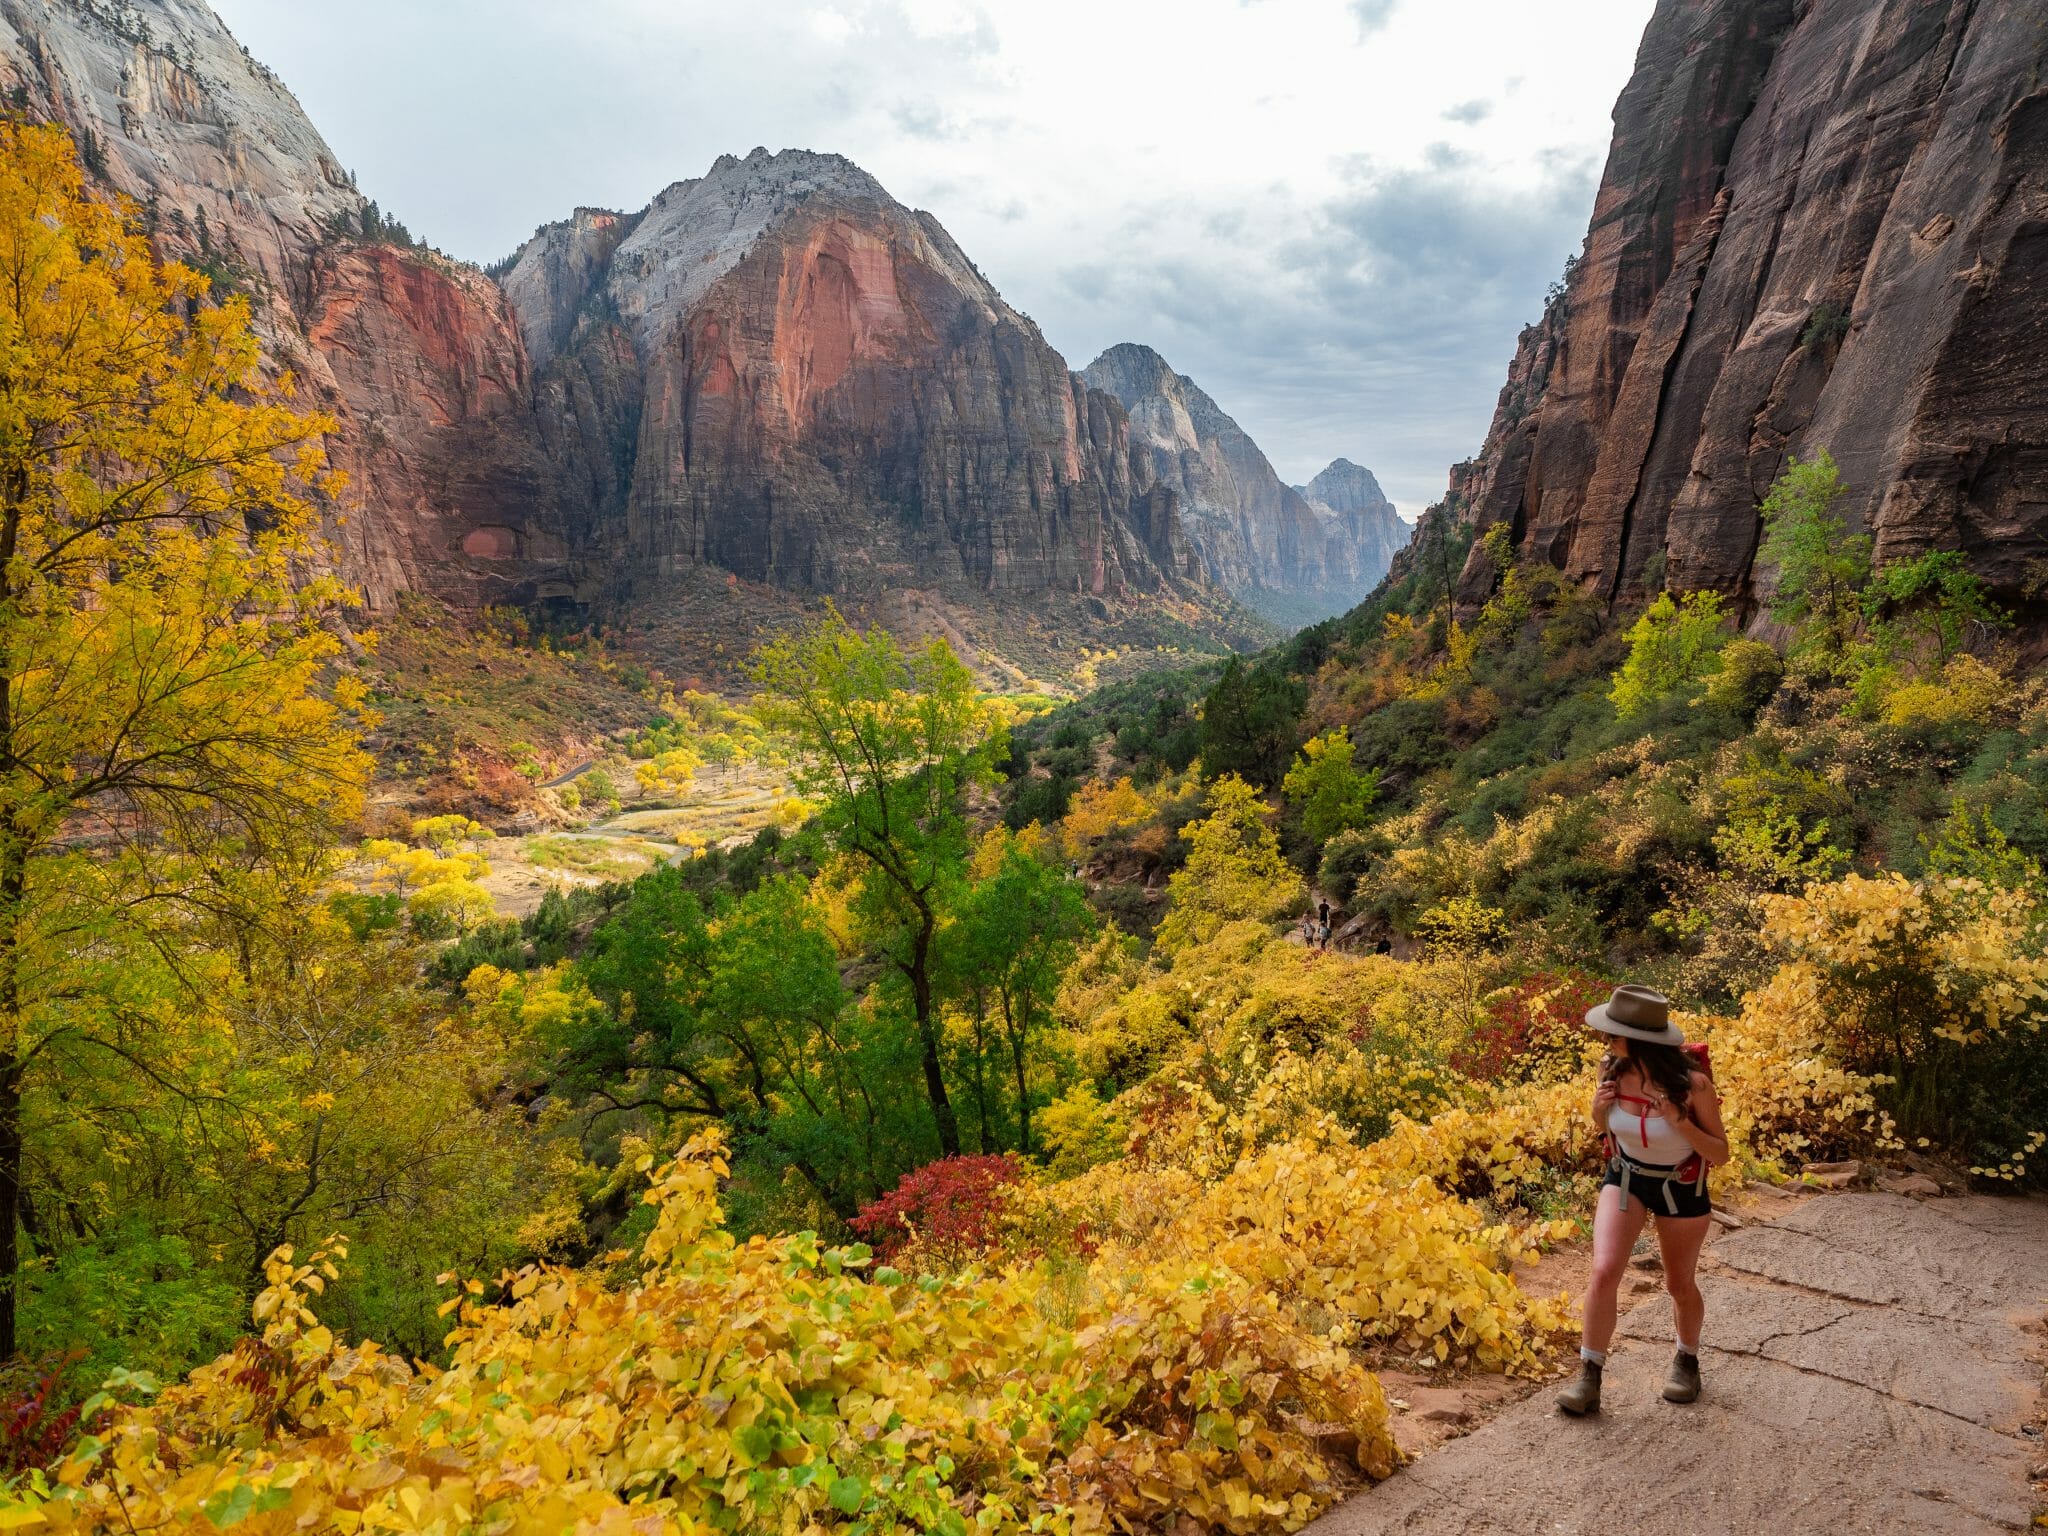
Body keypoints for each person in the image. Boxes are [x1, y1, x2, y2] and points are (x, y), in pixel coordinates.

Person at [1557, 984, 1729, 1416]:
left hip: (1681, 1186)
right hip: (1626, 1177)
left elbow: (1720, 1154)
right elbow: (1605, 1128)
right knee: (1603, 1270)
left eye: (1613, 1034)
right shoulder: (1611, 1070)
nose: (1605, 1041)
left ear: (1641, 1039)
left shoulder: (1693, 1085)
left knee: (1678, 1283)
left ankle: (1686, 1361)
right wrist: (1598, 1109)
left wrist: (1679, 1122)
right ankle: (1589, 1377)